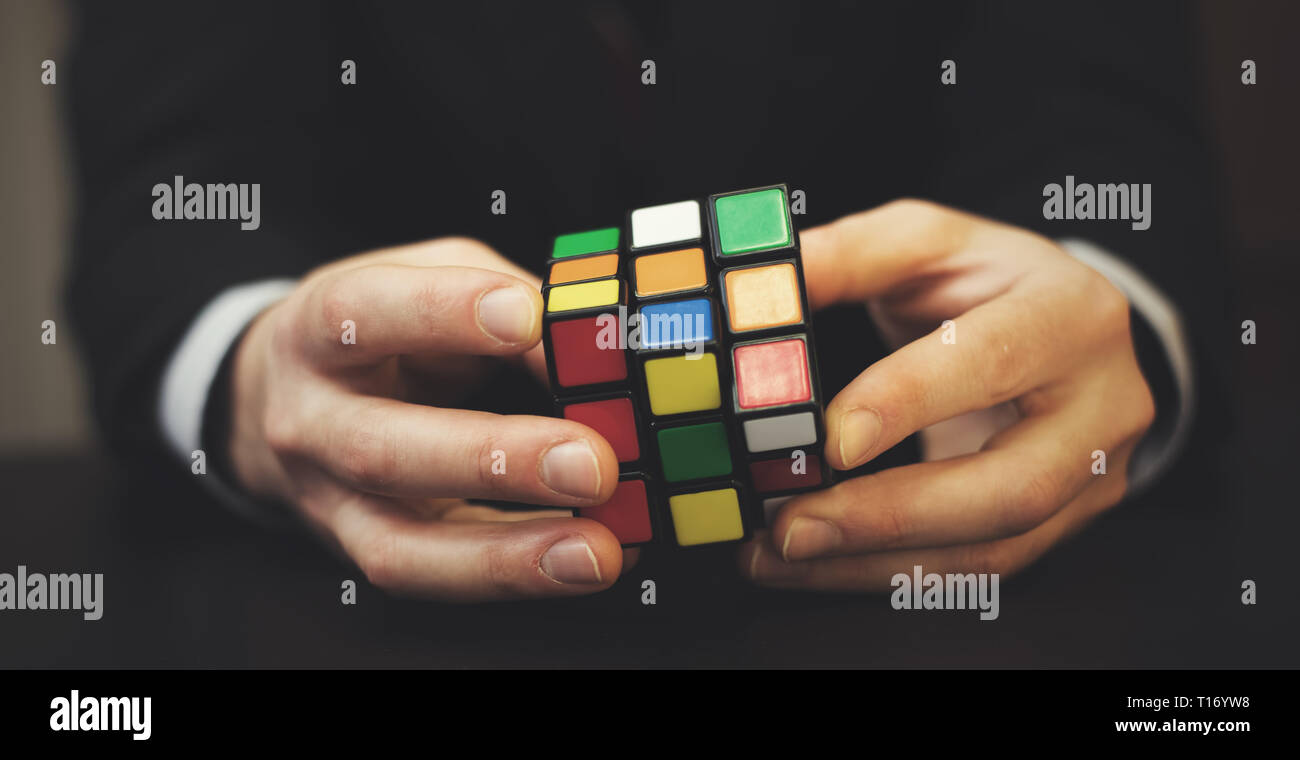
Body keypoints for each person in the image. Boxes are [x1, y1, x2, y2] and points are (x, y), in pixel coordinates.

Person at [66, 1, 1221, 601]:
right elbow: (172, 186)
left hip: (949, 586)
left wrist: (1098, 321)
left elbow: (1109, 127)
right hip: (350, 602)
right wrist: (259, 365)